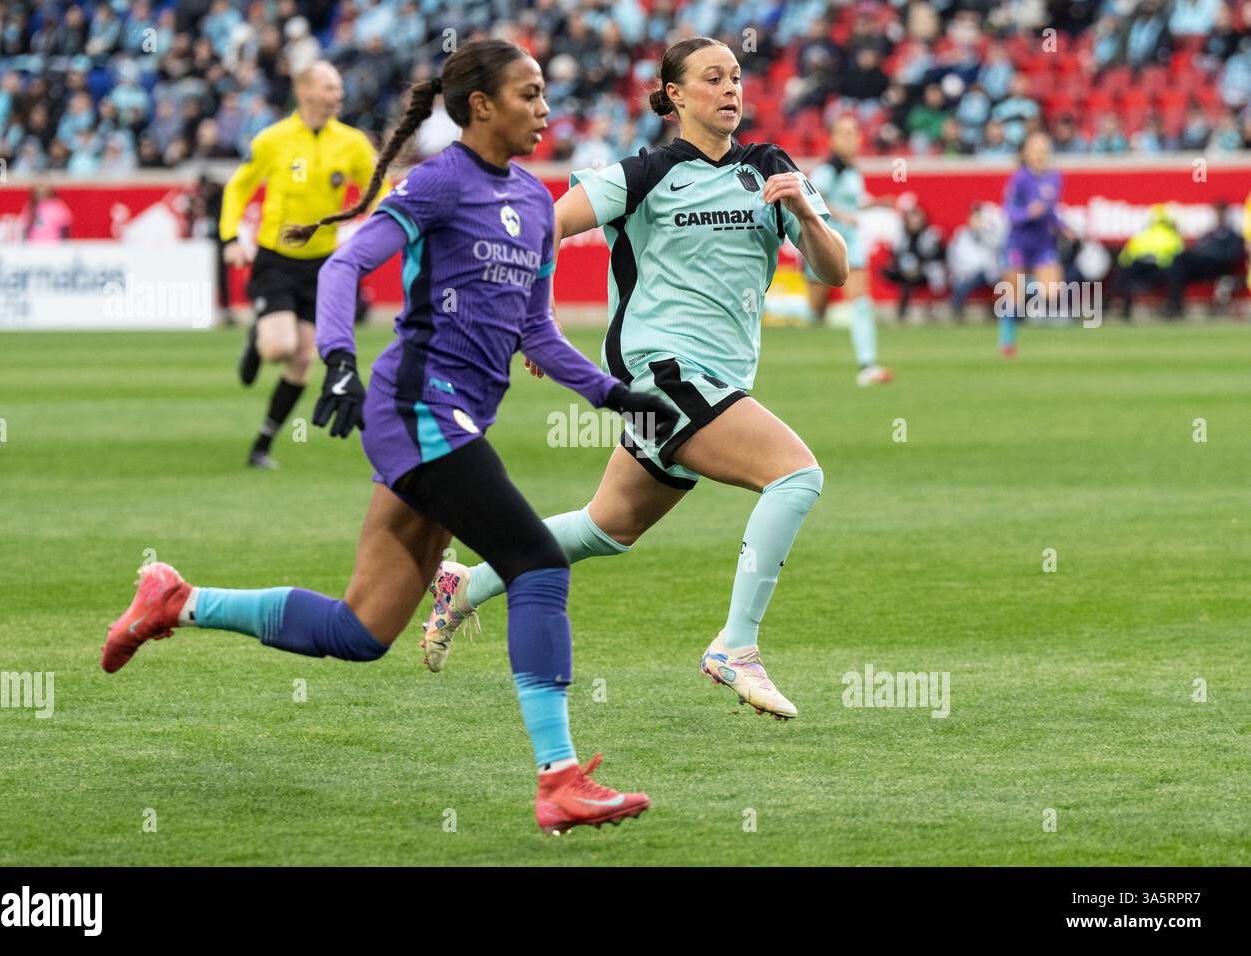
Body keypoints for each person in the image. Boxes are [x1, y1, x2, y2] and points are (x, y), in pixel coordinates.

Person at [100, 40, 680, 836]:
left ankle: (177, 600)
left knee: (362, 630)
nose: (546, 109)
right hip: (418, 408)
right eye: (530, 94)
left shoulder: (540, 203)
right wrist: (338, 361)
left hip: (455, 420)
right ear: (481, 105)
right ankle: (558, 780)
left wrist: (618, 397)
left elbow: (537, 333)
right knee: (536, 561)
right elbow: (343, 268)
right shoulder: (439, 181)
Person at [419, 37, 849, 722]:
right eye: (713, 78)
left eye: (736, 76)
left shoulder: (771, 169)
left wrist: (801, 214)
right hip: (663, 371)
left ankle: (465, 584)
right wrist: (534, 319)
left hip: (715, 378)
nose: (731, 88)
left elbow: (834, 271)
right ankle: (736, 648)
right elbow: (541, 227)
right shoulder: (642, 174)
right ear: (675, 96)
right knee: (795, 476)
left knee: (606, 527)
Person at [220, 61, 379, 470]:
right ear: (305, 91)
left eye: (339, 86)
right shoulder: (273, 140)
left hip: (324, 263)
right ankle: (259, 335)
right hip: (277, 258)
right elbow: (239, 186)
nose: (338, 93)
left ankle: (262, 444)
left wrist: (379, 231)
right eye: (329, 86)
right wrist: (230, 236)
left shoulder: (353, 142)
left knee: (303, 359)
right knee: (278, 347)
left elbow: (379, 190)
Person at [804, 114, 894, 385]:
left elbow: (855, 204)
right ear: (832, 139)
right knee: (814, 310)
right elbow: (811, 202)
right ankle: (773, 311)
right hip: (824, 243)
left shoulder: (853, 171)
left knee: (862, 302)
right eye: (844, 133)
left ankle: (867, 364)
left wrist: (876, 204)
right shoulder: (825, 172)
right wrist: (843, 216)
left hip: (851, 244)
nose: (851, 138)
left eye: (855, 132)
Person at [999, 130, 1062, 356]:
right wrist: (1028, 213)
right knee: (1012, 296)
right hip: (1019, 240)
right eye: (1036, 149)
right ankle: (1007, 341)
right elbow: (1008, 211)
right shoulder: (1019, 178)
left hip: (1042, 241)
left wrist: (1063, 227)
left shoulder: (1055, 178)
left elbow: (1050, 210)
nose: (1041, 154)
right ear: (1026, 153)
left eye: (1044, 149)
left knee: (1052, 292)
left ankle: (1026, 287)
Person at [1164, 201, 1242, 318]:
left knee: (1181, 259)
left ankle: (1174, 307)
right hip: (1201, 267)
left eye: (1221, 212)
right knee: (1178, 264)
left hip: (1216, 267)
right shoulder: (1209, 234)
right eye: (1216, 212)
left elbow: (1231, 255)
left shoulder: (1232, 235)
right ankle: (1174, 307)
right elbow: (1197, 248)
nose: (1219, 215)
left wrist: (1211, 254)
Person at [1111, 204, 1185, 320]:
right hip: (1159, 268)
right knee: (1175, 273)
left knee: (1124, 273)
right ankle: (1173, 308)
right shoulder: (1172, 236)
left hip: (1148, 268)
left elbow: (1125, 257)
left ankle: (1124, 308)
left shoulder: (1142, 235)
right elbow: (1179, 253)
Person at [881, 202, 947, 321]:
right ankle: (902, 313)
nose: (914, 221)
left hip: (927, 270)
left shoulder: (931, 235)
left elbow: (938, 256)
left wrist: (919, 265)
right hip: (907, 272)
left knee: (912, 278)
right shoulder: (902, 236)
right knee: (901, 276)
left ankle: (931, 312)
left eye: (917, 218)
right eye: (911, 218)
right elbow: (896, 255)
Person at [946, 202, 1003, 321]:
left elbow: (997, 248)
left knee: (1006, 284)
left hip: (989, 272)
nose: (976, 220)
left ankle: (1002, 312)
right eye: (974, 217)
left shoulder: (992, 233)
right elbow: (954, 255)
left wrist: (985, 230)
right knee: (962, 284)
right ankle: (955, 312)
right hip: (966, 272)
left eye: (979, 217)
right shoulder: (961, 233)